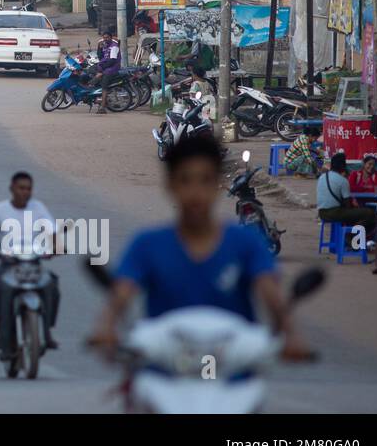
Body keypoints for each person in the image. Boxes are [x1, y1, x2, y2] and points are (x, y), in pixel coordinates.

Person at [89, 134, 310, 361]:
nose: (196, 192)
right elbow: (121, 295)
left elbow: (271, 295)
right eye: (185, 180)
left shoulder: (246, 243)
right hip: (164, 371)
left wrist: (290, 334)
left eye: (205, 180)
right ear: (171, 185)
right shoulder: (147, 245)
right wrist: (106, 326)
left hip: (231, 376)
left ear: (217, 186)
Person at [0, 171, 61, 354]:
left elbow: (53, 232)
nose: (25, 192)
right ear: (12, 188)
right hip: (9, 262)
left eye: (29, 189)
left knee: (52, 286)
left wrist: (56, 247)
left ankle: (46, 331)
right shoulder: (0, 209)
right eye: (21, 188)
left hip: (34, 262)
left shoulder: (38, 208)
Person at [316, 151, 377, 231]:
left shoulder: (322, 177)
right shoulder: (343, 181)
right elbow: (347, 205)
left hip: (321, 213)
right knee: (370, 213)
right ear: (343, 166)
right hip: (334, 213)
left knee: (356, 213)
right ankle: (351, 233)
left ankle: (350, 232)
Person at [95, 30, 121, 114]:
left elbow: (112, 61)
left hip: (112, 68)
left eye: (107, 37)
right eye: (104, 38)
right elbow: (100, 57)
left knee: (104, 86)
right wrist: (99, 47)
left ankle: (103, 106)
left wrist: (101, 70)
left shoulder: (114, 47)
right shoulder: (105, 46)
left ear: (111, 37)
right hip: (105, 66)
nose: (105, 39)